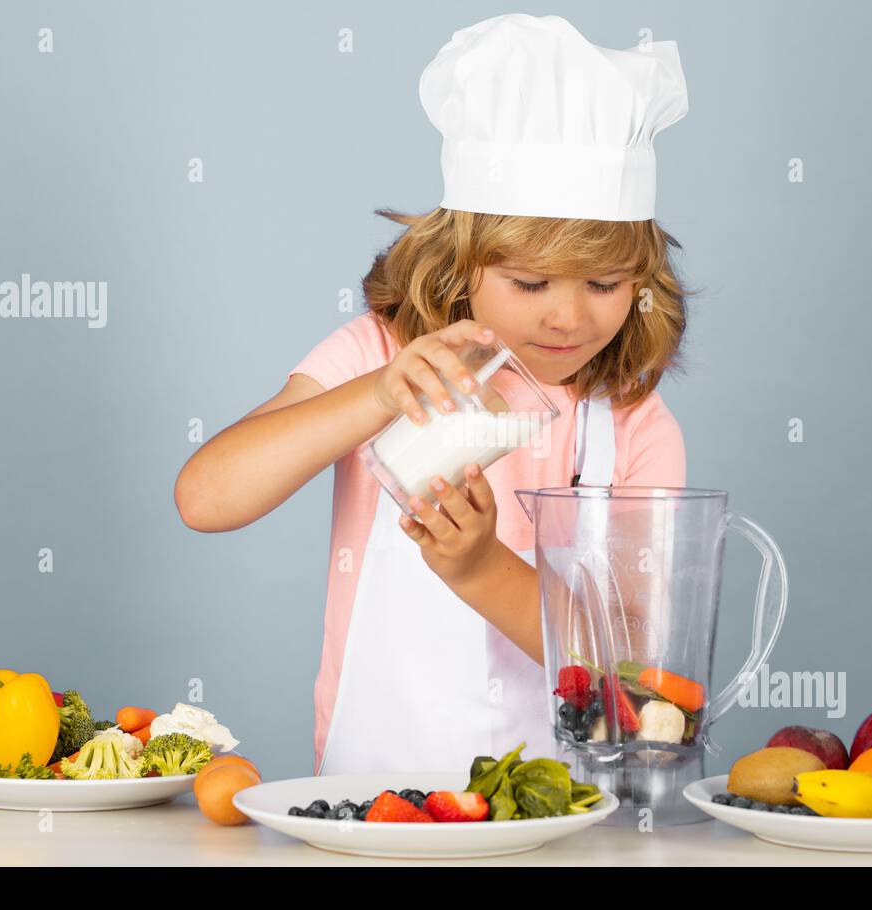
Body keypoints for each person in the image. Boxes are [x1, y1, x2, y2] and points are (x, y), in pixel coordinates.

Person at [175, 13, 692, 773]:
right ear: (459, 267)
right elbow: (206, 498)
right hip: (374, 813)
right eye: (528, 282)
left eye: (606, 284)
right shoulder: (377, 359)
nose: (569, 316)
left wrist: (481, 569)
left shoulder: (632, 425)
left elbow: (631, 668)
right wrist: (378, 395)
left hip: (571, 824)